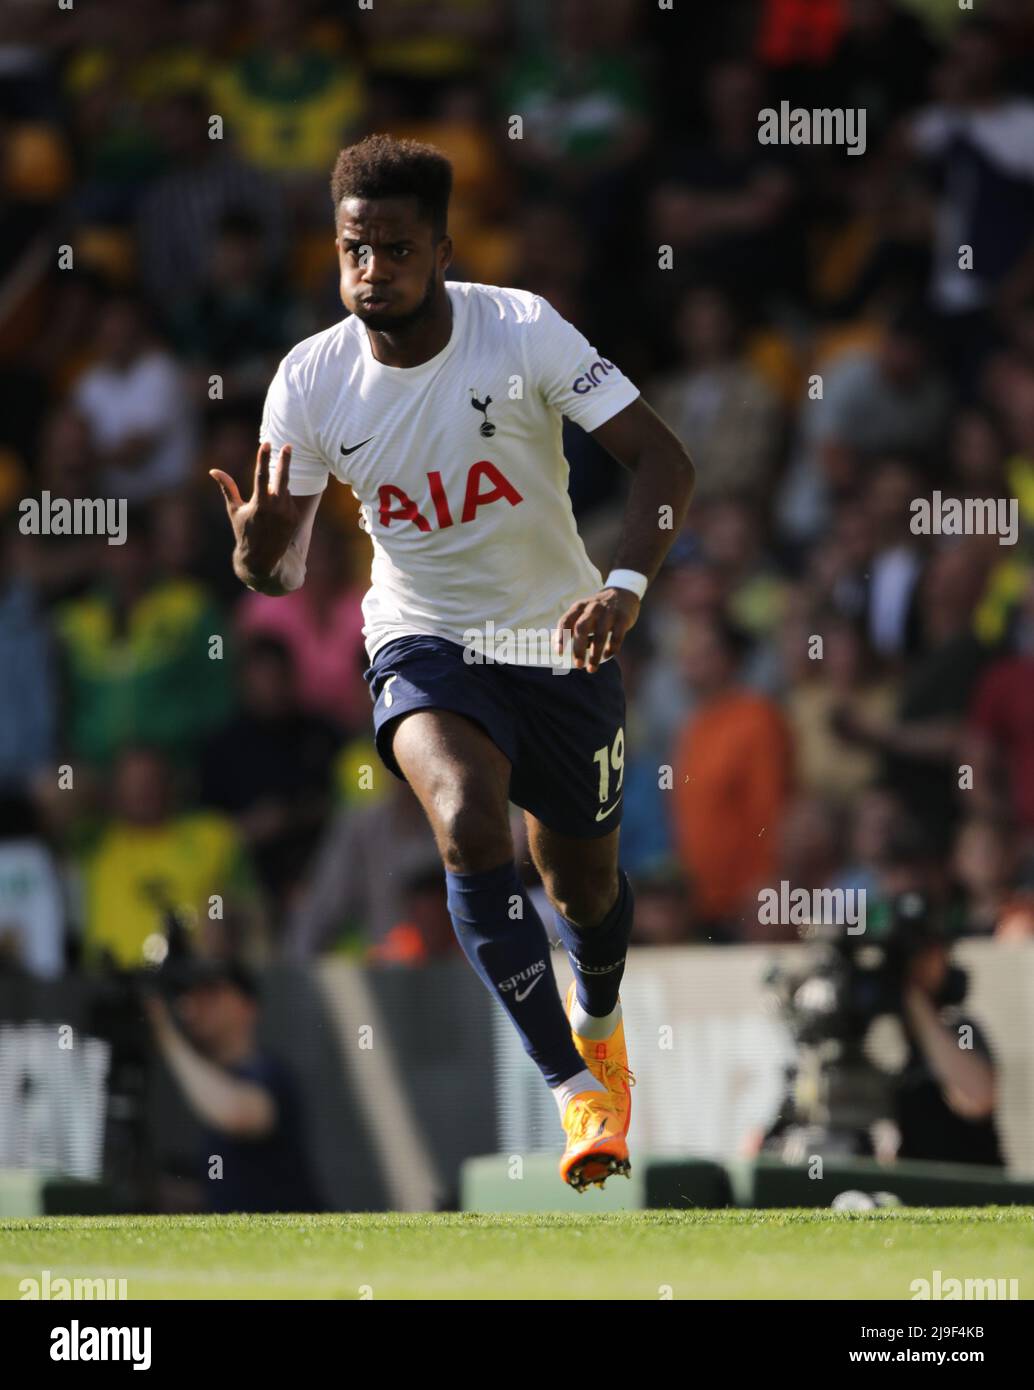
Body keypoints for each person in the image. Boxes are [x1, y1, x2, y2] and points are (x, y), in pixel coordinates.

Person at [210, 133, 696, 1192]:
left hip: (561, 637)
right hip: (422, 639)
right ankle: (574, 1091)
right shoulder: (309, 380)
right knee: (470, 824)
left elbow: (664, 459)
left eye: (392, 248)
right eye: (352, 251)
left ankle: (598, 1013)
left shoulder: (518, 328)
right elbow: (282, 565)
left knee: (584, 884)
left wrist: (623, 588)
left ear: (439, 247)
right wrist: (256, 553)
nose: (370, 271)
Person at [144, 961, 327, 1213]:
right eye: (189, 995)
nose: (195, 1005)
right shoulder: (214, 1081)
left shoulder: (270, 1074)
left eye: (212, 993)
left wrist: (166, 1036)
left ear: (248, 1007)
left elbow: (236, 1114)